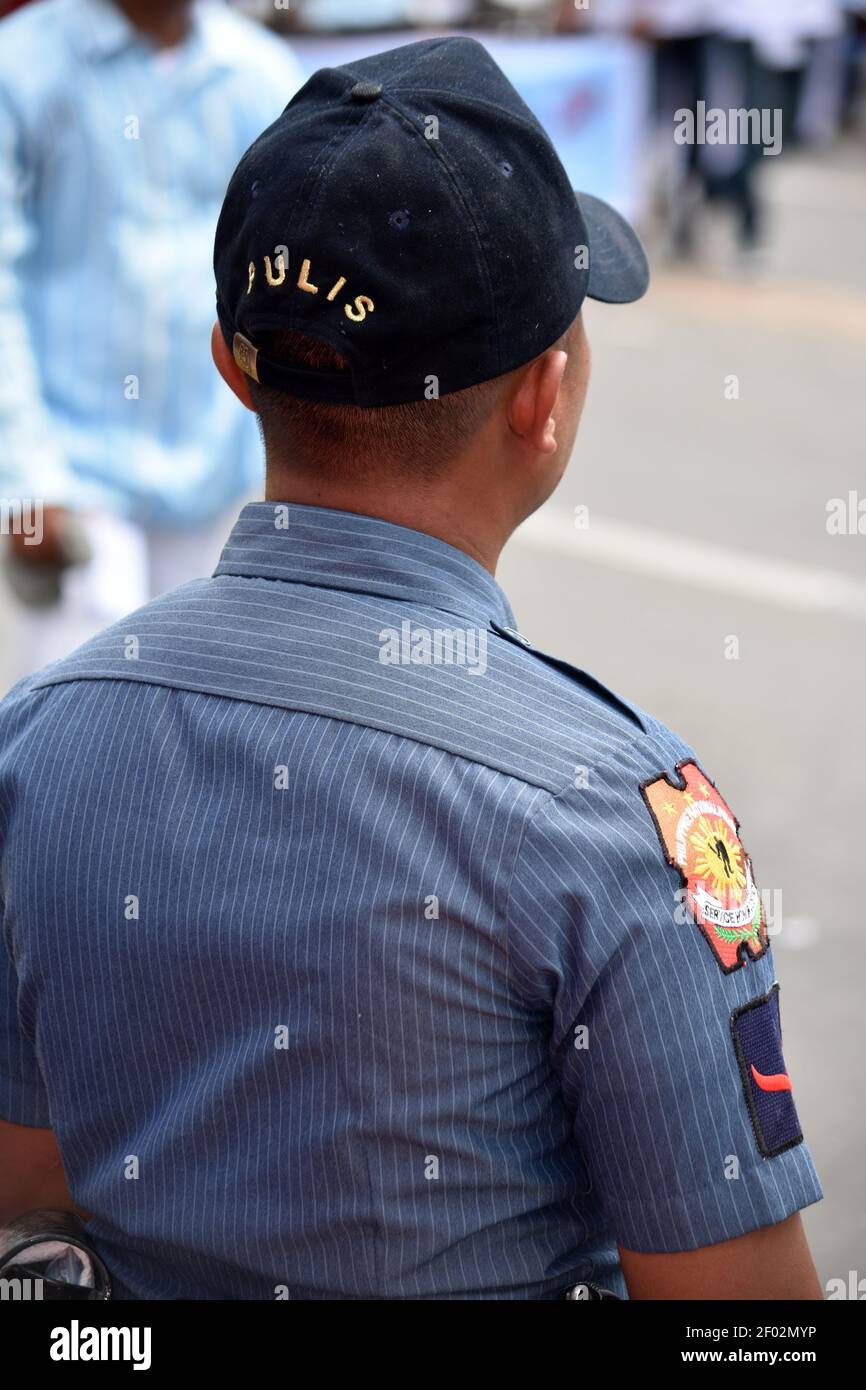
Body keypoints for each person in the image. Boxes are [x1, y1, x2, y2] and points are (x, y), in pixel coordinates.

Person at [0, 37, 823, 1300]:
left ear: (231, 366)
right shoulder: (610, 812)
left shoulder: (36, 744)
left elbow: (31, 1197)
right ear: (542, 400)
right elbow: (739, 1315)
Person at [0, 0, 305, 686]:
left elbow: (288, 269)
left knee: (202, 725)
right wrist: (25, 482)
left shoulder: (256, 73)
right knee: (78, 738)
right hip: (76, 478)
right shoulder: (22, 68)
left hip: (217, 470)